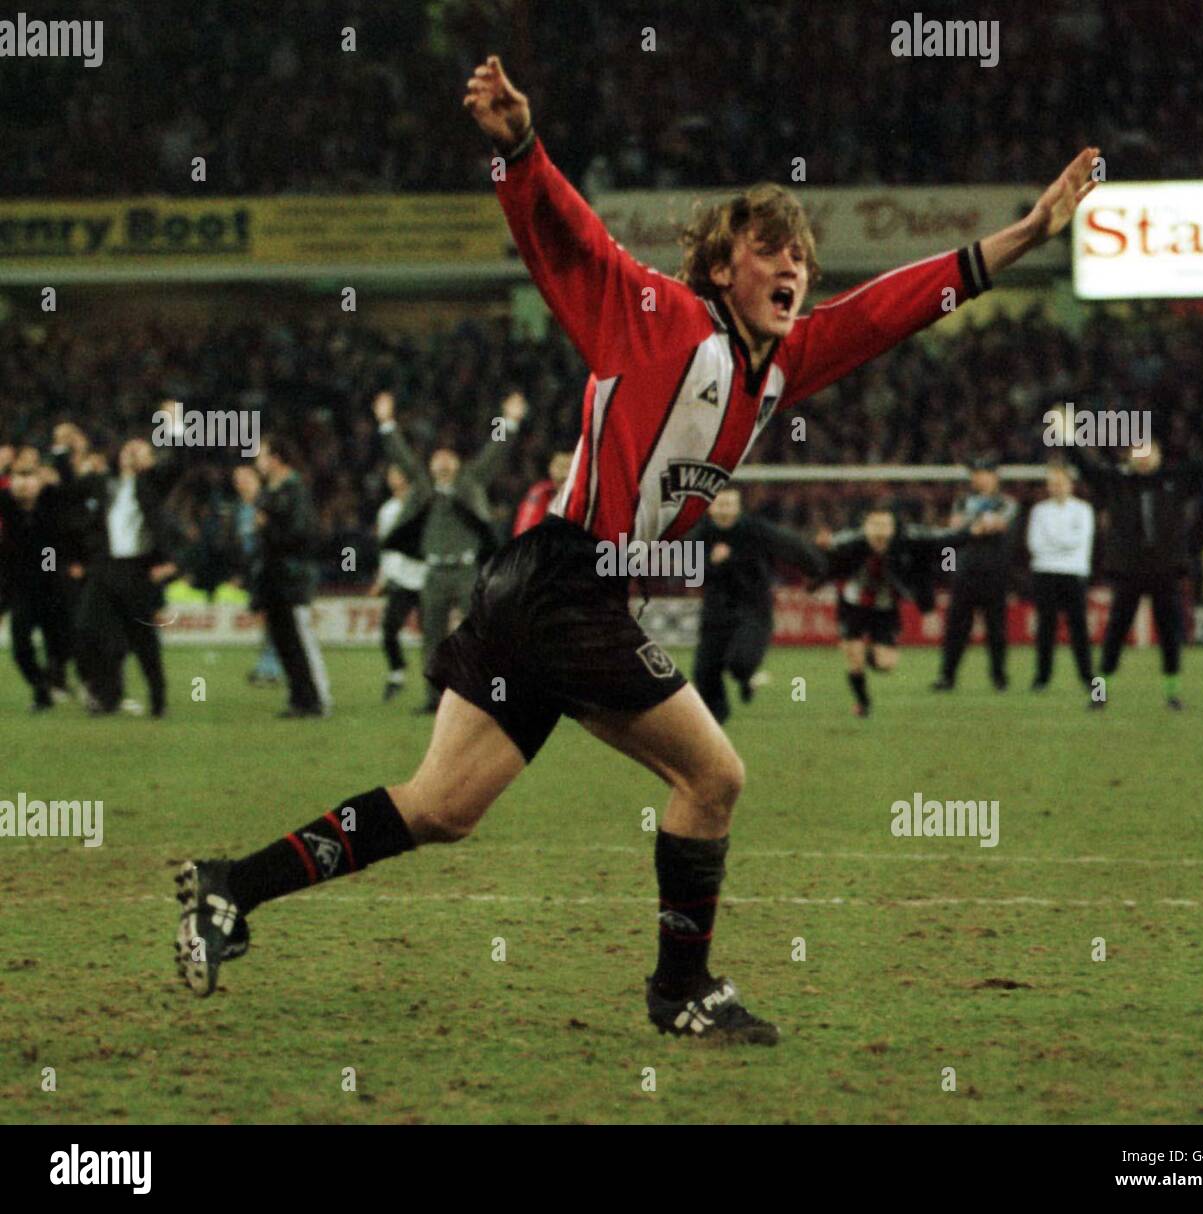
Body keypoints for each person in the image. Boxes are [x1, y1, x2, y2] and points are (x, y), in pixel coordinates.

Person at [176, 54, 1098, 1042]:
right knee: (714, 777)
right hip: (563, 582)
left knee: (441, 805)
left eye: (802, 255)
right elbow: (568, 240)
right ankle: (680, 990)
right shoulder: (656, 314)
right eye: (769, 248)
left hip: (538, 592)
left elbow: (892, 307)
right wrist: (520, 149)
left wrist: (1029, 233)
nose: (793, 266)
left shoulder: (781, 366)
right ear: (719, 266)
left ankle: (232, 886)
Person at [1075, 405, 1203, 709]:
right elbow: (1087, 469)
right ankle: (1099, 694)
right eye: (1136, 449)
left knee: (1169, 635)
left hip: (1165, 570)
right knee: (1114, 635)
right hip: (1128, 570)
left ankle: (1172, 694)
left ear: (1158, 453)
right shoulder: (1117, 482)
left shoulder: (1176, 480)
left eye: (1147, 449)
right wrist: (1067, 437)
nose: (1142, 455)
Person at [372, 388, 525, 713]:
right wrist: (386, 422)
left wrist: (509, 420)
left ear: (457, 462)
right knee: (433, 638)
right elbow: (400, 456)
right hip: (435, 572)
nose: (442, 461)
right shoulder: (423, 486)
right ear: (430, 464)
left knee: (477, 636)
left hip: (466, 571)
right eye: (437, 457)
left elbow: (494, 453)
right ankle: (434, 698)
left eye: (448, 456)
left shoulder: (470, 481)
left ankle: (481, 694)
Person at [53, 412, 183, 717]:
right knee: (86, 630)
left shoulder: (152, 484)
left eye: (141, 450)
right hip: (105, 568)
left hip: (138, 570)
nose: (133, 452)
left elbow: (178, 464)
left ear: (150, 460)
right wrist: (62, 448)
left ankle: (157, 699)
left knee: (142, 640)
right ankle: (104, 695)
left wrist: (174, 426)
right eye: (129, 448)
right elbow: (69, 490)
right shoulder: (104, 483)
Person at [687, 486, 825, 724]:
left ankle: (746, 679)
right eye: (720, 505)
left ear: (738, 507)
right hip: (716, 612)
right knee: (703, 674)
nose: (725, 511)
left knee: (740, 663)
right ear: (710, 507)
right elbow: (693, 576)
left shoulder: (755, 530)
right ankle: (717, 721)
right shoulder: (699, 536)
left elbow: (790, 545)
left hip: (754, 610)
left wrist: (816, 567)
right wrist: (713, 564)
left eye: (730, 505)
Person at [821, 506, 968, 716]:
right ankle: (863, 703)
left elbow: (944, 543)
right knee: (854, 658)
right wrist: (823, 551)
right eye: (875, 526)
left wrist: (971, 532)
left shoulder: (906, 543)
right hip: (853, 605)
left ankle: (872, 648)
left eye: (885, 526)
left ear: (893, 529)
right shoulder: (849, 542)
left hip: (885, 608)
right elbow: (822, 556)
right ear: (865, 528)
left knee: (886, 663)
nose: (880, 531)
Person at [250, 434, 331, 718]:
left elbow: (302, 536)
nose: (257, 460)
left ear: (276, 459)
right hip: (275, 577)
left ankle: (318, 699)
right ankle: (300, 698)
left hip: (292, 576)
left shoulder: (295, 490)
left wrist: (267, 524)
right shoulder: (271, 490)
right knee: (285, 643)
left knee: (300, 640)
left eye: (261, 455)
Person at [933, 456, 1018, 692]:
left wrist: (973, 526)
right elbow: (955, 526)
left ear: (994, 476)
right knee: (956, 628)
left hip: (994, 573)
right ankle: (946, 676)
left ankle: (999, 677)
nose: (977, 478)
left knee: (996, 629)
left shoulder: (1006, 502)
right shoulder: (962, 501)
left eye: (982, 473)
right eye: (975, 473)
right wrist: (979, 525)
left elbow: (999, 523)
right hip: (964, 572)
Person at [0, 447, 74, 711]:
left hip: (52, 586)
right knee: (20, 646)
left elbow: (70, 490)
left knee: (59, 643)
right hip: (21, 589)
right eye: (17, 477)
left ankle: (56, 681)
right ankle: (41, 687)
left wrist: (61, 460)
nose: (23, 483)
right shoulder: (8, 506)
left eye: (29, 476)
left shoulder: (51, 501)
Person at [1026, 463, 1097, 700]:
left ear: (1070, 484)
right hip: (1045, 572)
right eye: (1052, 483)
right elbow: (1034, 544)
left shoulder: (1083, 510)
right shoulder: (1039, 510)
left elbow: (1078, 541)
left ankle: (1087, 676)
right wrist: (1061, 544)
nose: (1056, 487)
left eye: (1060, 482)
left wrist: (1053, 542)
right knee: (1046, 627)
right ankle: (1041, 677)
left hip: (1074, 572)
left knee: (1079, 628)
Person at [372, 462, 428, 702]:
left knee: (433, 636)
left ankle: (440, 685)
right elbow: (386, 548)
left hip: (426, 577)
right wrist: (382, 577)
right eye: (391, 474)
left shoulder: (425, 506)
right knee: (388, 629)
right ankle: (397, 672)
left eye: (398, 473)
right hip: (400, 579)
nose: (393, 478)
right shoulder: (387, 510)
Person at [228, 464, 283, 688]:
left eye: (244, 478)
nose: (240, 483)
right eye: (236, 479)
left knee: (275, 622)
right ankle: (269, 666)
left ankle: (271, 668)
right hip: (254, 572)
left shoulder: (268, 503)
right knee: (267, 621)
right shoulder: (240, 509)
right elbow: (240, 545)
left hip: (272, 570)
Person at [513, 450, 574, 536]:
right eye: (561, 466)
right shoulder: (542, 493)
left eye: (569, 467)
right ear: (550, 468)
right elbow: (525, 533)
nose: (564, 473)